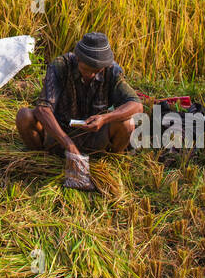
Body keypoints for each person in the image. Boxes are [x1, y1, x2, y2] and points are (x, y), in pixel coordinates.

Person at [16, 32, 143, 190]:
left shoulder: (112, 71)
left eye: (96, 71)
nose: (90, 74)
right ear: (77, 59)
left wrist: (105, 118)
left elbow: (136, 105)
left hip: (94, 134)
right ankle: (43, 158)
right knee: (24, 116)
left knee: (127, 123)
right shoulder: (61, 66)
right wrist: (69, 145)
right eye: (86, 69)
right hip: (60, 133)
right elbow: (43, 109)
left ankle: (110, 161)